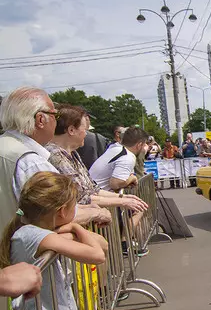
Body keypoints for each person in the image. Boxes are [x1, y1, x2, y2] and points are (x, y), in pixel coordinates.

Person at [2, 171, 142, 310]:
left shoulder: (43, 231)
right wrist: (76, 228)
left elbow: (101, 245)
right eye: (74, 206)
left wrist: (69, 233)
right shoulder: (31, 235)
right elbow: (97, 255)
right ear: (61, 212)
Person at [0, 87, 109, 234]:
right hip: (23, 253)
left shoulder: (7, 147)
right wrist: (97, 213)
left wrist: (87, 208)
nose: (57, 123)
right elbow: (56, 215)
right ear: (40, 119)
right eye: (55, 116)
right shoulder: (31, 161)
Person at [47, 104, 148, 212]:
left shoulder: (73, 154)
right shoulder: (55, 156)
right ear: (71, 130)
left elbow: (93, 189)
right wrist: (122, 201)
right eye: (85, 129)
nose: (86, 134)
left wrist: (123, 198)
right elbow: (81, 198)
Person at [89, 127, 149, 192]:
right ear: (139, 145)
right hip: (94, 195)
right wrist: (133, 178)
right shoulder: (127, 157)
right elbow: (115, 183)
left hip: (90, 190)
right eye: (144, 144)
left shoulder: (115, 147)